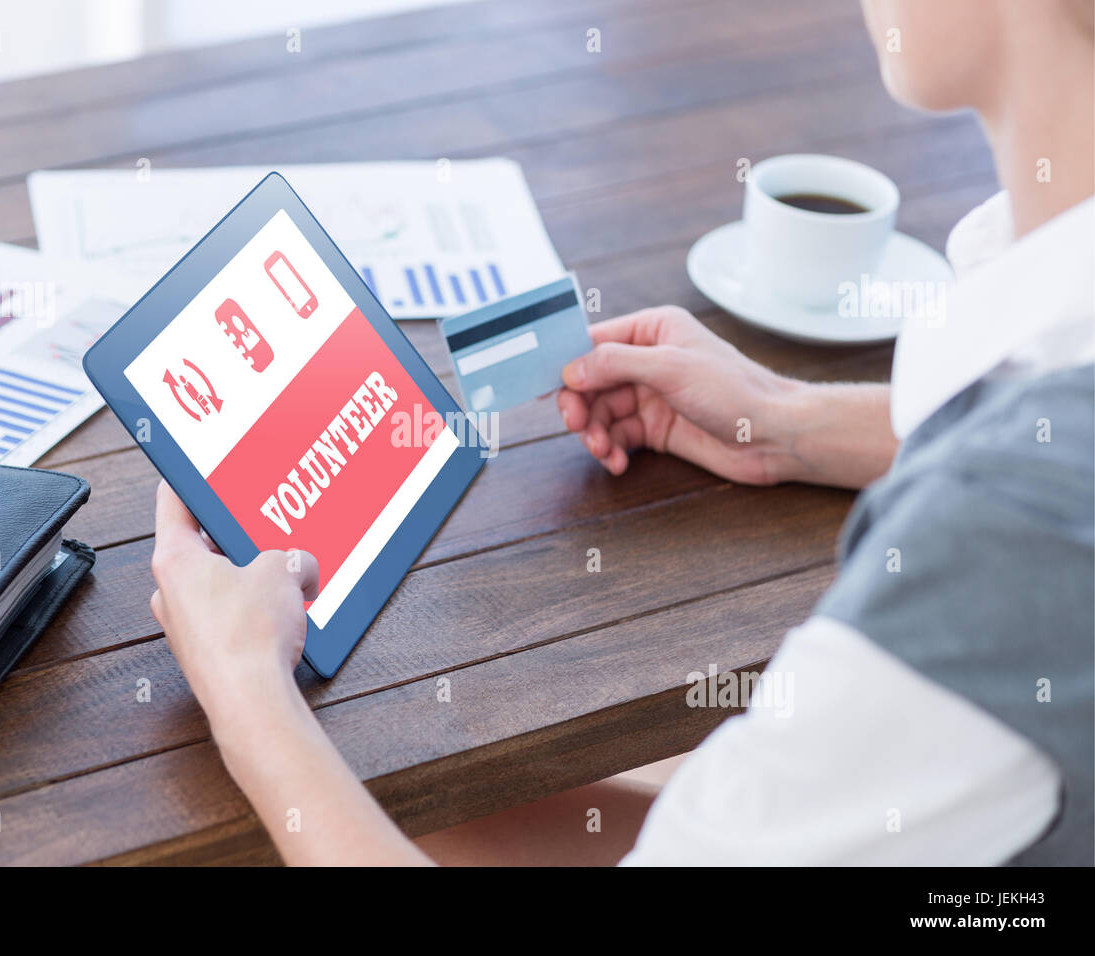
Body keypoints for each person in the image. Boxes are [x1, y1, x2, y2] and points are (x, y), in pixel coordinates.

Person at [147, 0, 1094, 865]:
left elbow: (1031, 520)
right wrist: (792, 425)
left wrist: (243, 688)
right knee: (452, 814)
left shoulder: (1002, 554)